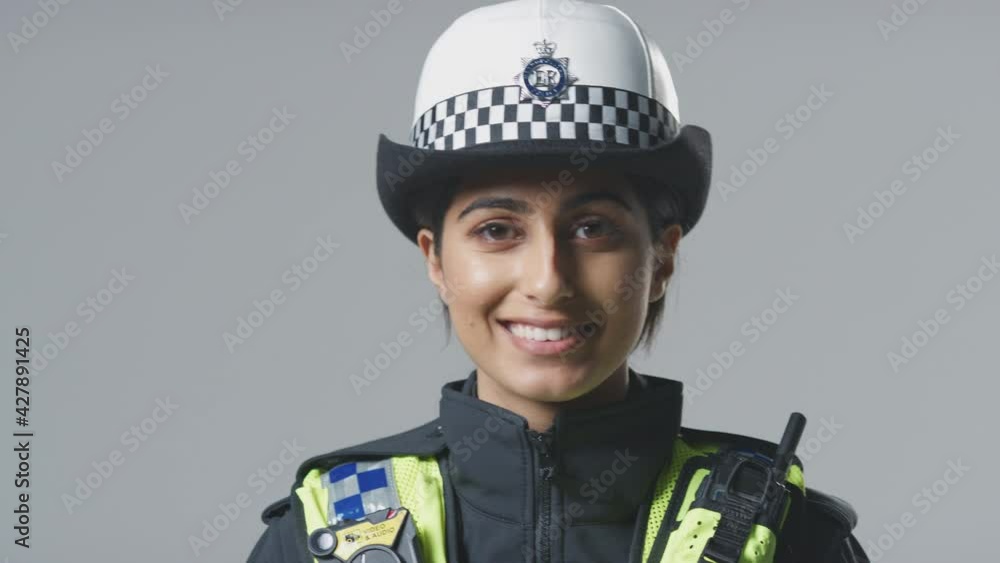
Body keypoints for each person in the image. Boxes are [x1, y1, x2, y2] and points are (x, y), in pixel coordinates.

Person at [247, 1, 869, 562]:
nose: (548, 282)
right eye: (497, 230)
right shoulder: (319, 535)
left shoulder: (788, 536)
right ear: (436, 260)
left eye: (593, 228)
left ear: (664, 258)